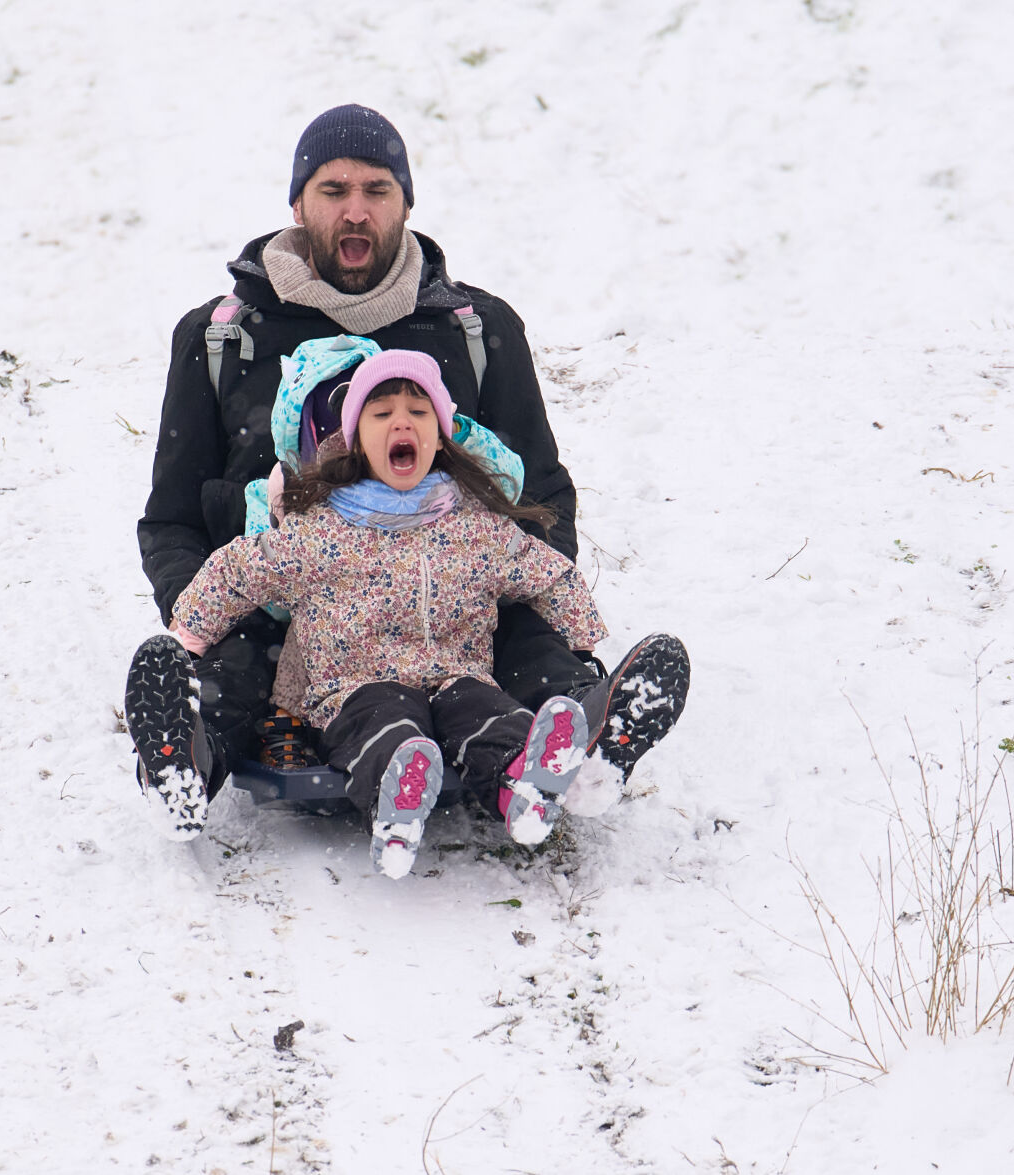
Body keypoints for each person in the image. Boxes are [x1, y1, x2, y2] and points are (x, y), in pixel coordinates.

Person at [129, 103, 689, 831]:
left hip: (450, 602)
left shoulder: (475, 329)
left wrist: (513, 587)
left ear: (406, 203)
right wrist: (204, 614)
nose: (355, 211)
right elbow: (170, 517)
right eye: (333, 191)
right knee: (235, 675)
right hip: (283, 600)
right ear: (297, 203)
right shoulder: (221, 337)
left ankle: (585, 737)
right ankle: (185, 758)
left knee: (530, 647)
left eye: (376, 190)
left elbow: (541, 494)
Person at [138, 351, 607, 877]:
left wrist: (582, 643)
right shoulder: (323, 526)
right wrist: (189, 637)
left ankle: (524, 783)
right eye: (381, 414)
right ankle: (398, 802)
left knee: (489, 713)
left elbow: (543, 571)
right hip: (354, 685)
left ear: (441, 435)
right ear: (358, 438)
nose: (401, 421)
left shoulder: (475, 525)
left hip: (458, 673)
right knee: (387, 725)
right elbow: (241, 570)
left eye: (419, 411)